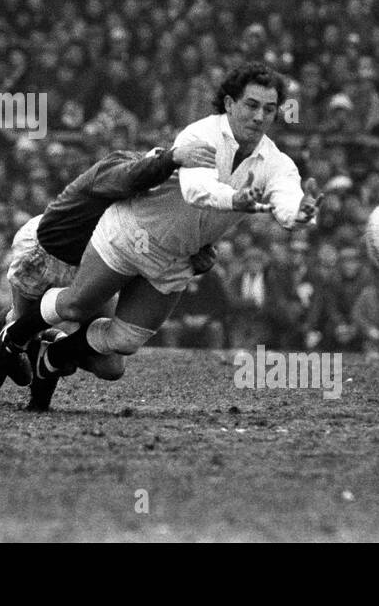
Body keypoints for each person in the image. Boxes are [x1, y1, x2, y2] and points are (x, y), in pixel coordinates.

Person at [19, 62, 323, 410]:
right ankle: (12, 335)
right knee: (74, 303)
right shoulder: (201, 134)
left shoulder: (276, 162)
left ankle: (54, 354)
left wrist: (298, 213)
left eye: (269, 109)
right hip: (133, 232)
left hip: (176, 257)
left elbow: (286, 198)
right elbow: (197, 191)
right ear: (229, 104)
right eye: (251, 105)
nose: (259, 116)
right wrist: (236, 199)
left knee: (124, 343)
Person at [0, 141, 219, 396]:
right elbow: (133, 177)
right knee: (24, 333)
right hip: (48, 253)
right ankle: (11, 323)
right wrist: (171, 159)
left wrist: (195, 259)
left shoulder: (172, 209)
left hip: (95, 267)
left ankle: (52, 347)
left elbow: (158, 257)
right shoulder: (122, 166)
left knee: (111, 366)